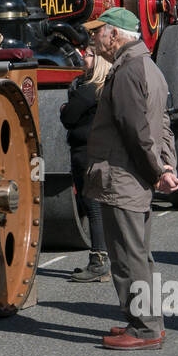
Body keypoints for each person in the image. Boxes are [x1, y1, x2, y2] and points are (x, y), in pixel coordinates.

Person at [83, 7, 178, 350]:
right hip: (134, 176)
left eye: (98, 32)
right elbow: (162, 125)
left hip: (123, 176)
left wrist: (157, 170)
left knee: (127, 256)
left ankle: (145, 328)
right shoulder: (148, 67)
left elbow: (135, 130)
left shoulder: (126, 70)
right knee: (137, 253)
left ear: (114, 34)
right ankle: (144, 321)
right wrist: (167, 168)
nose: (94, 38)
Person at [61, 48, 112, 281]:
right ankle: (105, 260)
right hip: (100, 151)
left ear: (99, 62)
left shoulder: (87, 90)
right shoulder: (105, 88)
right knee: (97, 206)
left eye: (90, 55)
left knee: (92, 207)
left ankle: (99, 260)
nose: (84, 58)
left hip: (85, 152)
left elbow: (68, 117)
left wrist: (64, 108)